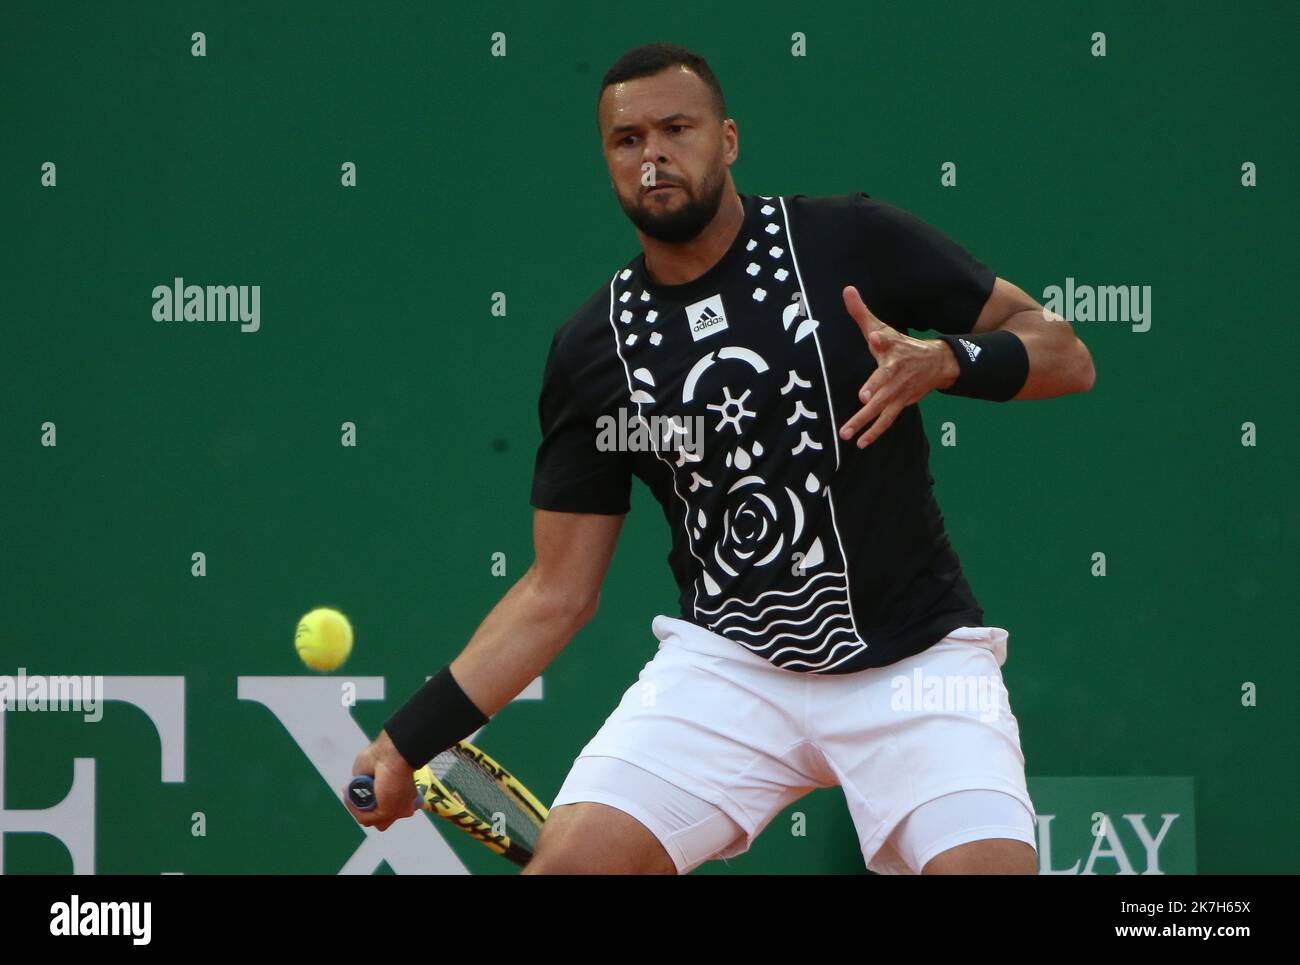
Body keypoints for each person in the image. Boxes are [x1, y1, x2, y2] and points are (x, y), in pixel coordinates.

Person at [346, 42, 1095, 875]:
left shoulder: (850, 240)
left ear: (728, 139)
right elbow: (556, 591)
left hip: (916, 664)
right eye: (627, 140)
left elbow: (1063, 351)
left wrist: (949, 360)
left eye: (677, 129)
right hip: (731, 669)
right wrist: (405, 737)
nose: (653, 156)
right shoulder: (595, 353)